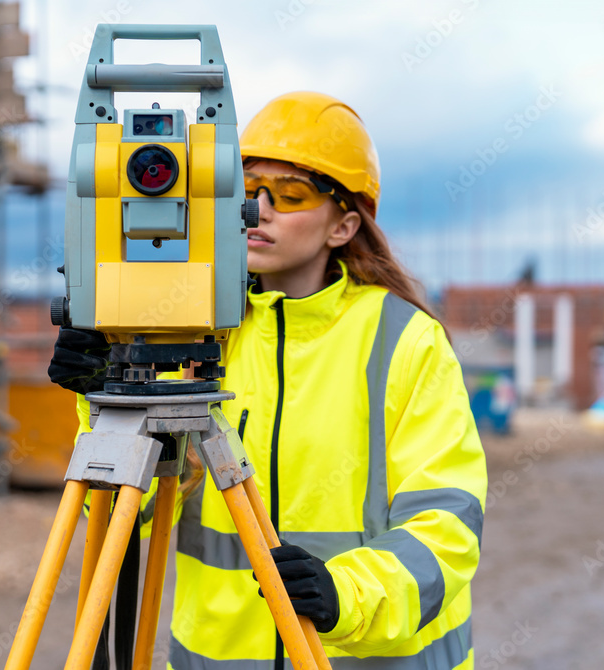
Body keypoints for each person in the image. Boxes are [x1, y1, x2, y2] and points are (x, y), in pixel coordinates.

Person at [49, 91, 487, 669]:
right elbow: (136, 512)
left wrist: (345, 595)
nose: (261, 209)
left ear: (344, 224)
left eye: (291, 194)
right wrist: (106, 396)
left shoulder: (403, 340)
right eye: (249, 190)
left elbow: (446, 523)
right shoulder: (199, 333)